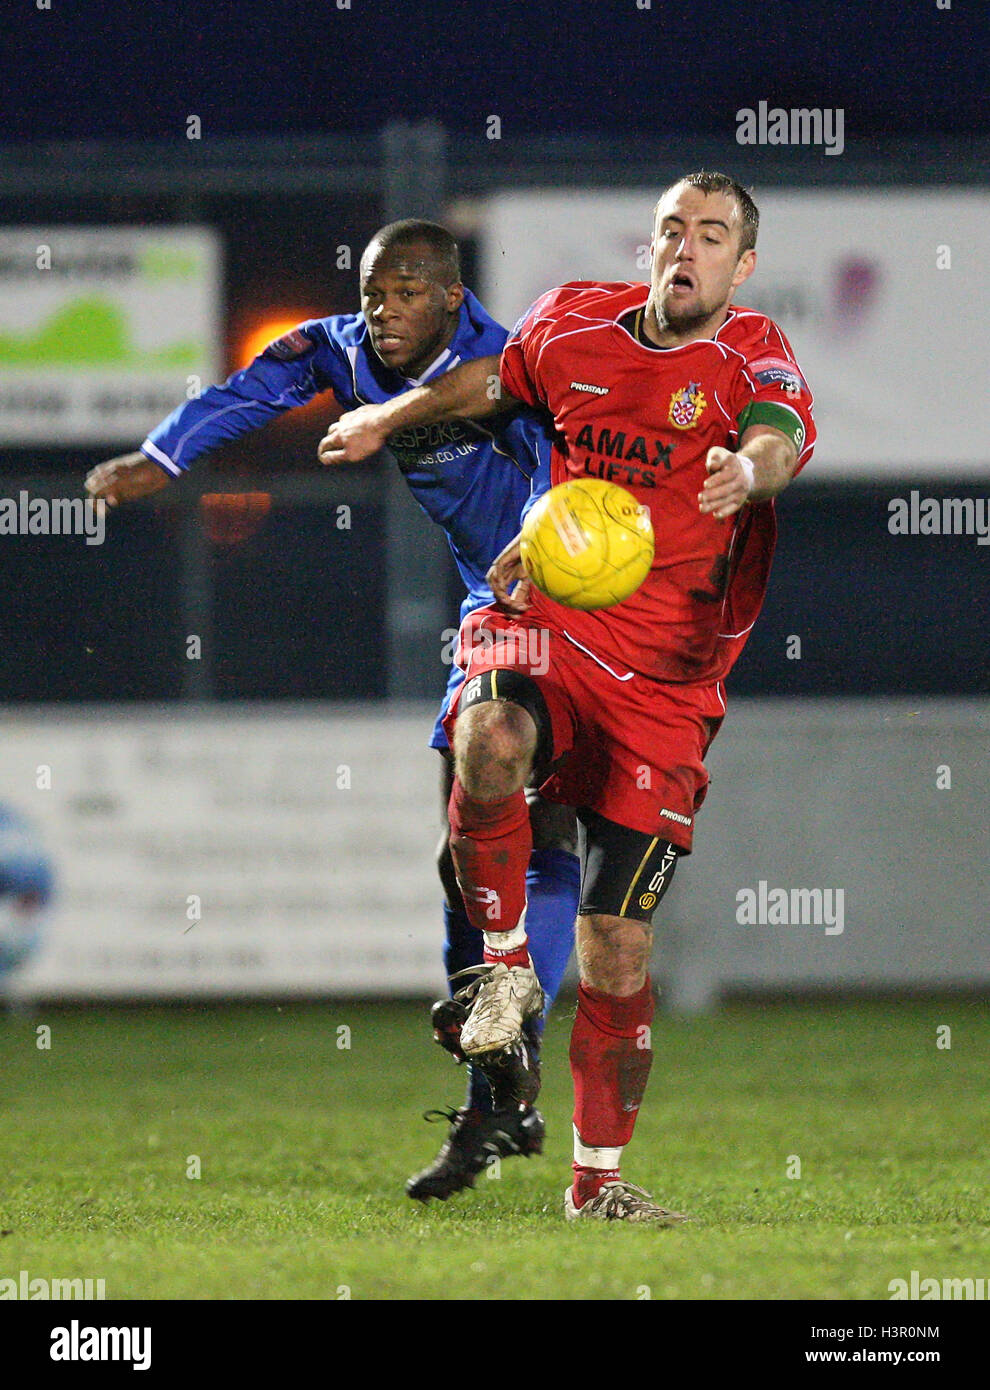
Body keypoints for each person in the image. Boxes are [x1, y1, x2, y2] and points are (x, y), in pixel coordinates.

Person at [317, 173, 817, 1223]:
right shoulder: (576, 323)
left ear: (743, 264)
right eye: (674, 229)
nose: (688, 248)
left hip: (668, 682)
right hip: (551, 623)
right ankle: (502, 973)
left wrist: (749, 471)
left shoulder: (750, 355)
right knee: (488, 736)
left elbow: (780, 432)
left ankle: (596, 1184)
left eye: (713, 236)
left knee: (616, 950)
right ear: (652, 243)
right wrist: (389, 414)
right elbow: (490, 385)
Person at [84, 220, 579, 1200]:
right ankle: (498, 1085)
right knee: (461, 858)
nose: (381, 310)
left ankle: (507, 1057)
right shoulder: (350, 353)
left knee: (530, 820)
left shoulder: (508, 362)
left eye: (404, 293)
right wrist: (163, 457)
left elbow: (558, 460)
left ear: (449, 297)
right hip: (493, 602)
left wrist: (538, 540)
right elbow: (256, 384)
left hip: (563, 597)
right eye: (370, 291)